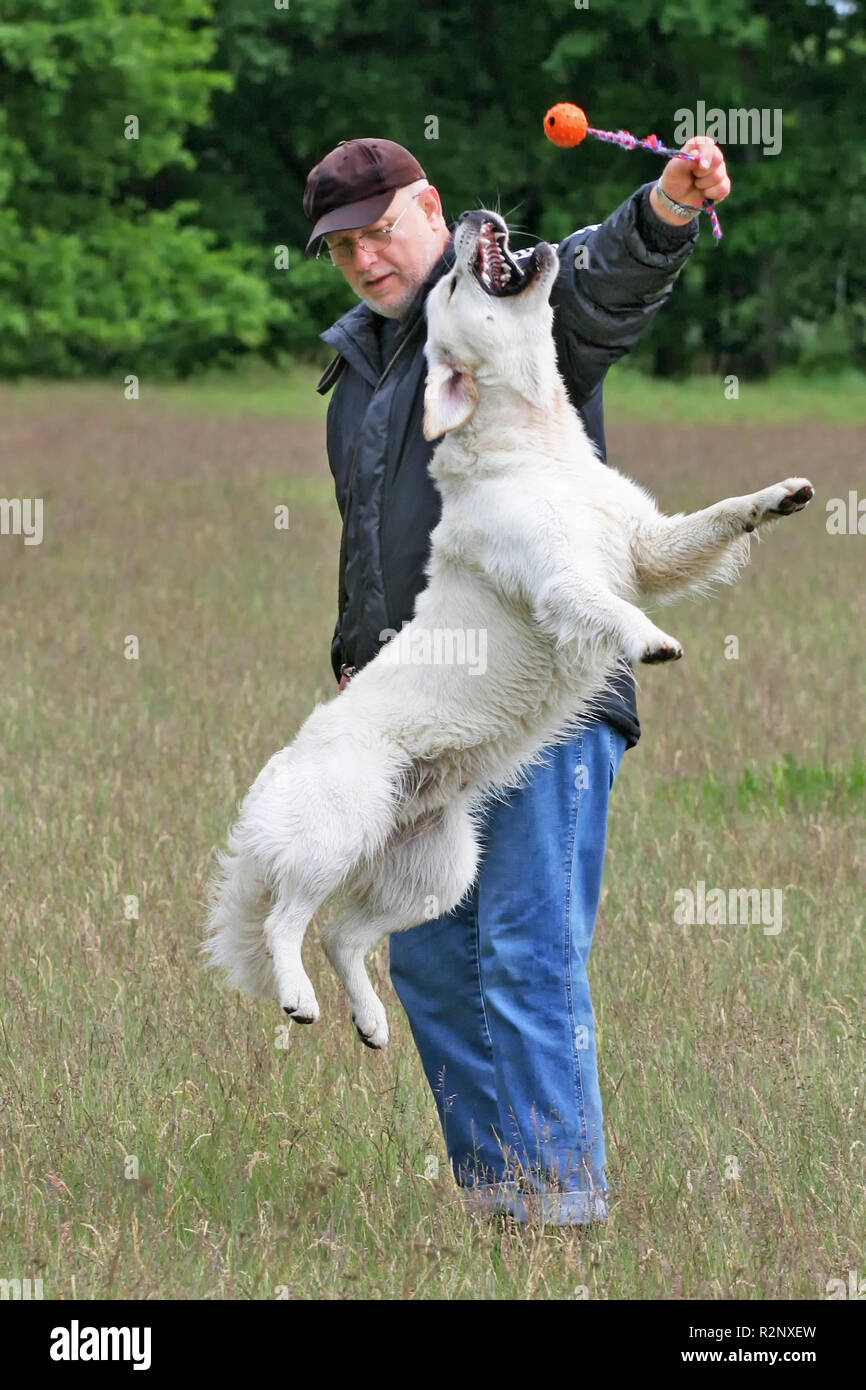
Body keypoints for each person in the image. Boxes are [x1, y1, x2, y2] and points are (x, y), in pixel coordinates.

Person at [302, 135, 730, 1224]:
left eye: (377, 229)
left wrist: (664, 211)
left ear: (430, 206)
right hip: (420, 712)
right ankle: (505, 1212)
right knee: (435, 968)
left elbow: (602, 282)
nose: (360, 258)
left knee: (525, 953)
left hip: (543, 694)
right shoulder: (355, 365)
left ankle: (566, 1218)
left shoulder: (508, 292)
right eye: (339, 245)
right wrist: (356, 667)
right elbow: (375, 546)